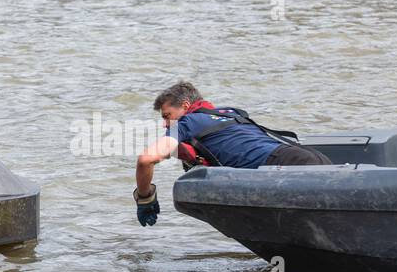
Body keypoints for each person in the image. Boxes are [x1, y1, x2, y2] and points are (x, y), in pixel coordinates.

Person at [134, 80, 331, 227]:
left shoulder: (186, 123)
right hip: (308, 156)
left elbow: (146, 160)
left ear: (185, 106)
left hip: (286, 168)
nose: (166, 124)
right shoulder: (231, 112)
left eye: (167, 116)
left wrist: (145, 198)